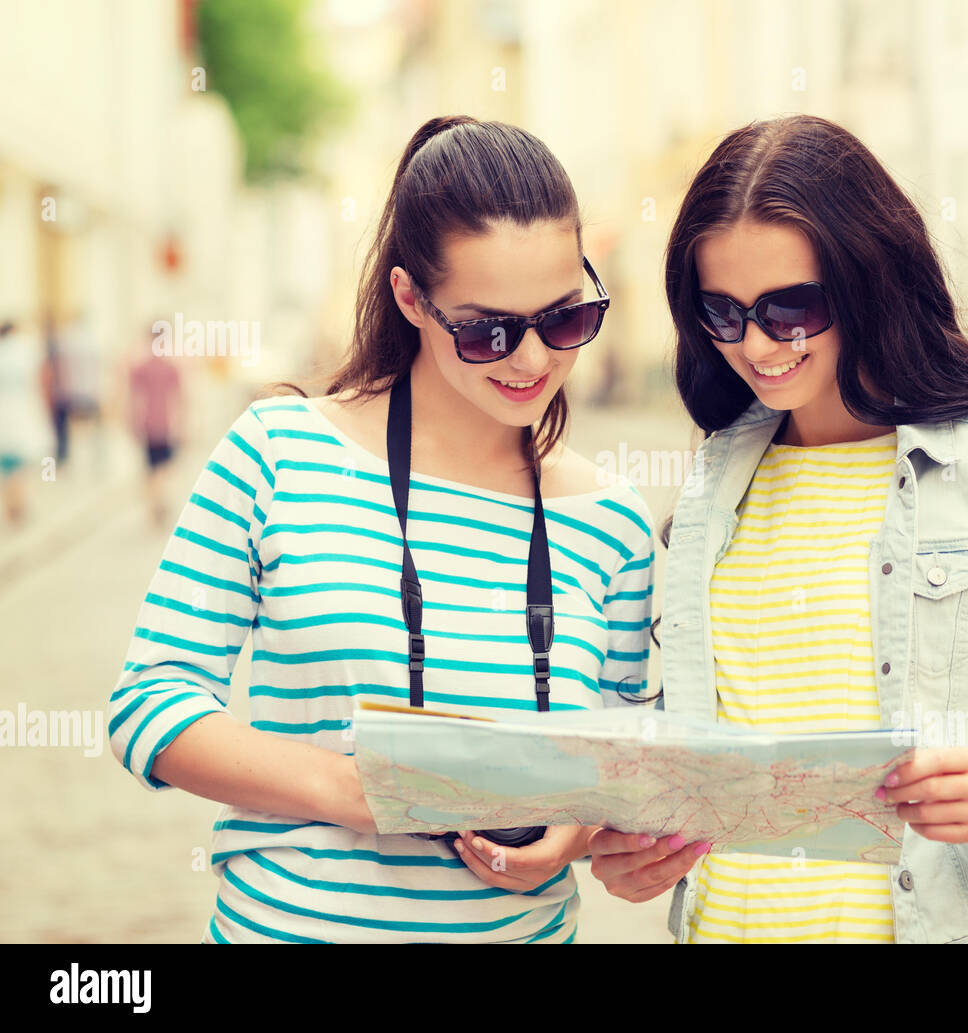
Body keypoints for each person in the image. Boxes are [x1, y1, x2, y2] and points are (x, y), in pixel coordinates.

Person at [588, 114, 968, 944]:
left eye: (791, 308)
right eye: (723, 313)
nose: (758, 344)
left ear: (865, 281)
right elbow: (701, 751)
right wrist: (636, 847)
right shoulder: (711, 481)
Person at [108, 115, 655, 943]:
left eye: (566, 318)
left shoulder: (613, 521)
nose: (534, 359)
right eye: (488, 330)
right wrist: (352, 790)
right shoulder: (276, 452)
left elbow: (619, 769)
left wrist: (574, 831)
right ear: (410, 298)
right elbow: (148, 702)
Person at [127, 324, 184, 528]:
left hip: (147, 423)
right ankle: (159, 500)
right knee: (162, 467)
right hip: (166, 424)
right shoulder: (172, 366)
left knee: (151, 468)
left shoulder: (141, 366)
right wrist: (183, 424)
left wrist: (132, 421)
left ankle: (155, 503)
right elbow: (180, 398)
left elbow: (133, 398)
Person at [0, 317, 55, 526]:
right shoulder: (26, 351)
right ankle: (20, 502)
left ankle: (9, 507)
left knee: (4, 464)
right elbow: (42, 380)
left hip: (3, 414)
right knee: (22, 463)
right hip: (24, 409)